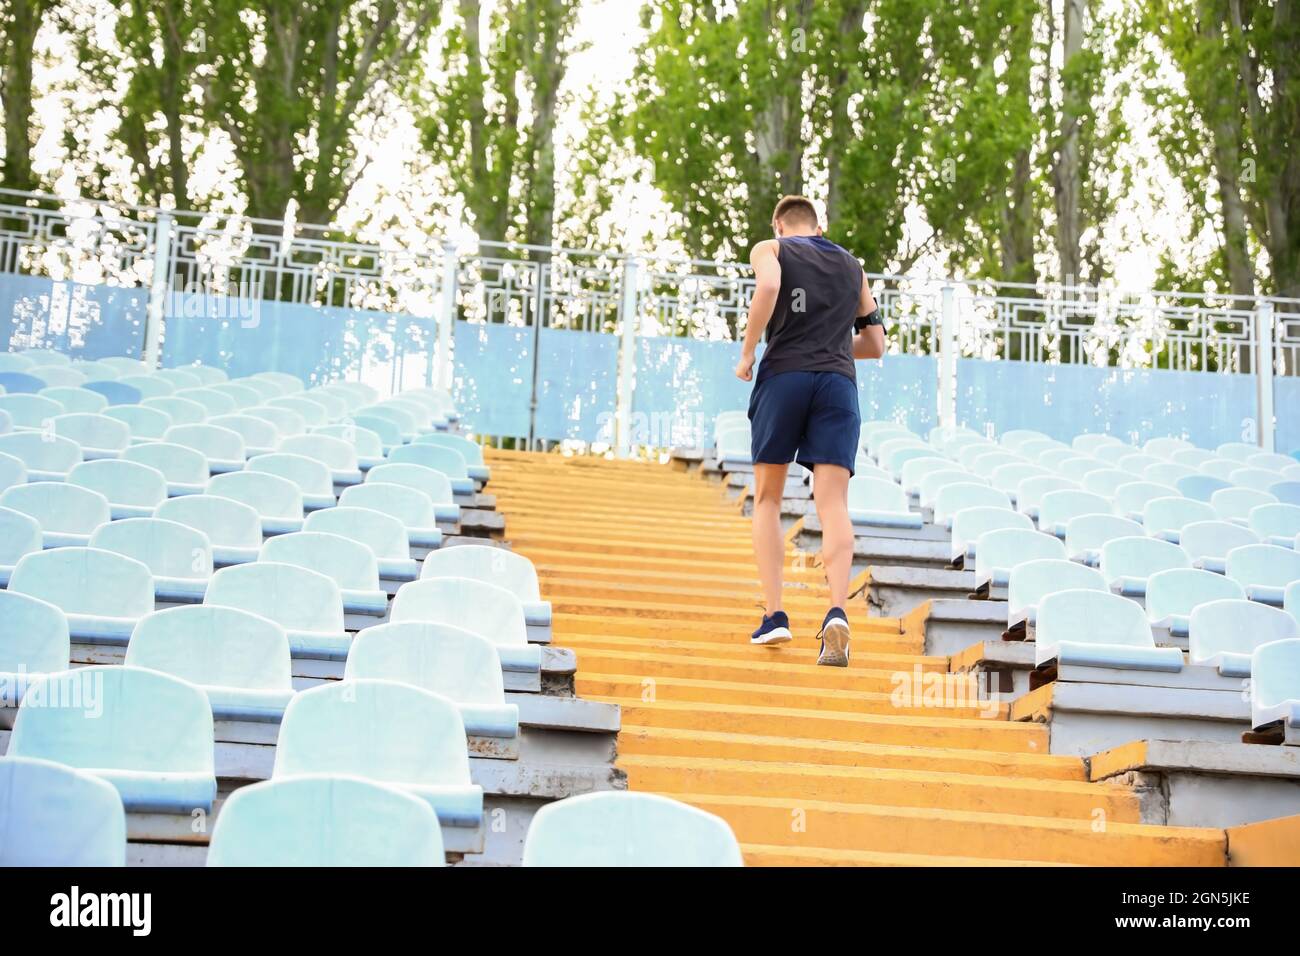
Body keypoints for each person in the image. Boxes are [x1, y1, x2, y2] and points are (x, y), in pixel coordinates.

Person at [734, 195, 885, 666]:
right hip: (839, 383)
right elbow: (876, 343)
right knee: (834, 501)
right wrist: (832, 345)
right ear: (819, 228)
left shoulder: (772, 249)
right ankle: (837, 610)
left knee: (768, 497)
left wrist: (747, 352)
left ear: (779, 225)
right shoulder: (852, 266)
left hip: (784, 376)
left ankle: (775, 615)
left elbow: (769, 289)